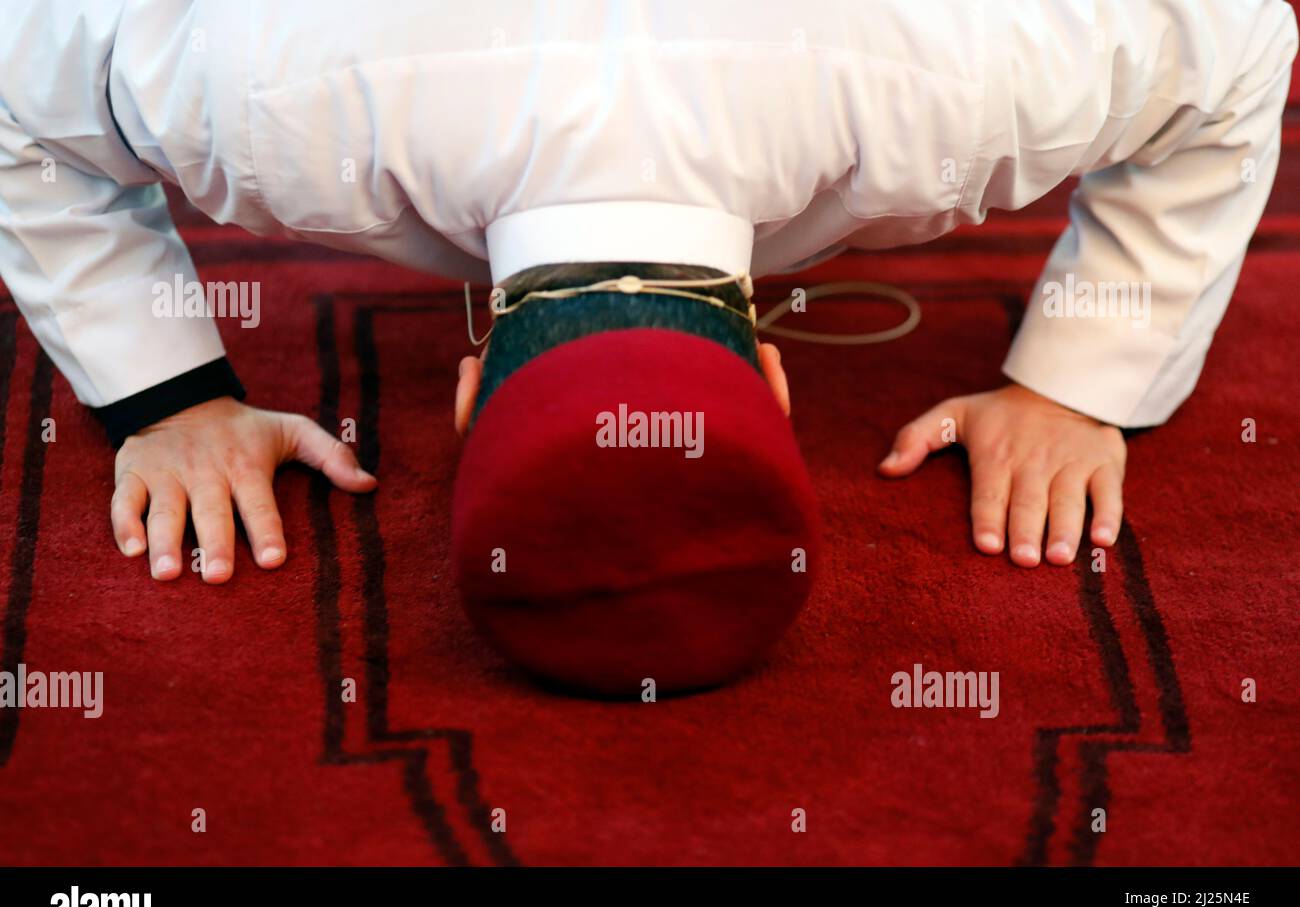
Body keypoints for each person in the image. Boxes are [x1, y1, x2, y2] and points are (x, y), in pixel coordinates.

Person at [1, 0, 1295, 589]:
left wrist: (164, 393)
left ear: (463, 394)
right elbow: (1240, 38)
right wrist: (1079, 380)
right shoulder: (271, 103)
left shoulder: (273, 91)